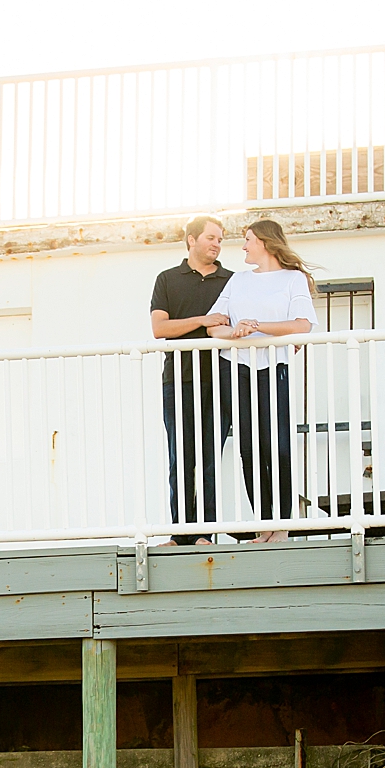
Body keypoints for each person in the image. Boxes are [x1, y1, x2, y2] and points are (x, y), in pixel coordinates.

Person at [207, 219, 315, 542]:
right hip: (236, 369)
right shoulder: (238, 281)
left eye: (248, 240)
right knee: (248, 448)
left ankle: (282, 526)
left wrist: (258, 326)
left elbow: (302, 325)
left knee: (277, 447)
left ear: (265, 243)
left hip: (273, 367)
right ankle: (264, 524)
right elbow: (215, 328)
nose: (243, 247)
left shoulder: (292, 280)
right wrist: (238, 331)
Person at [149, 214, 233, 544]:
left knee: (210, 459)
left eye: (220, 239)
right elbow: (160, 329)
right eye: (211, 237)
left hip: (219, 379)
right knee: (179, 460)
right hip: (178, 380)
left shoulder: (231, 280)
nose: (217, 244)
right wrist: (204, 320)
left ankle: (204, 534)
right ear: (192, 240)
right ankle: (180, 534)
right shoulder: (167, 279)